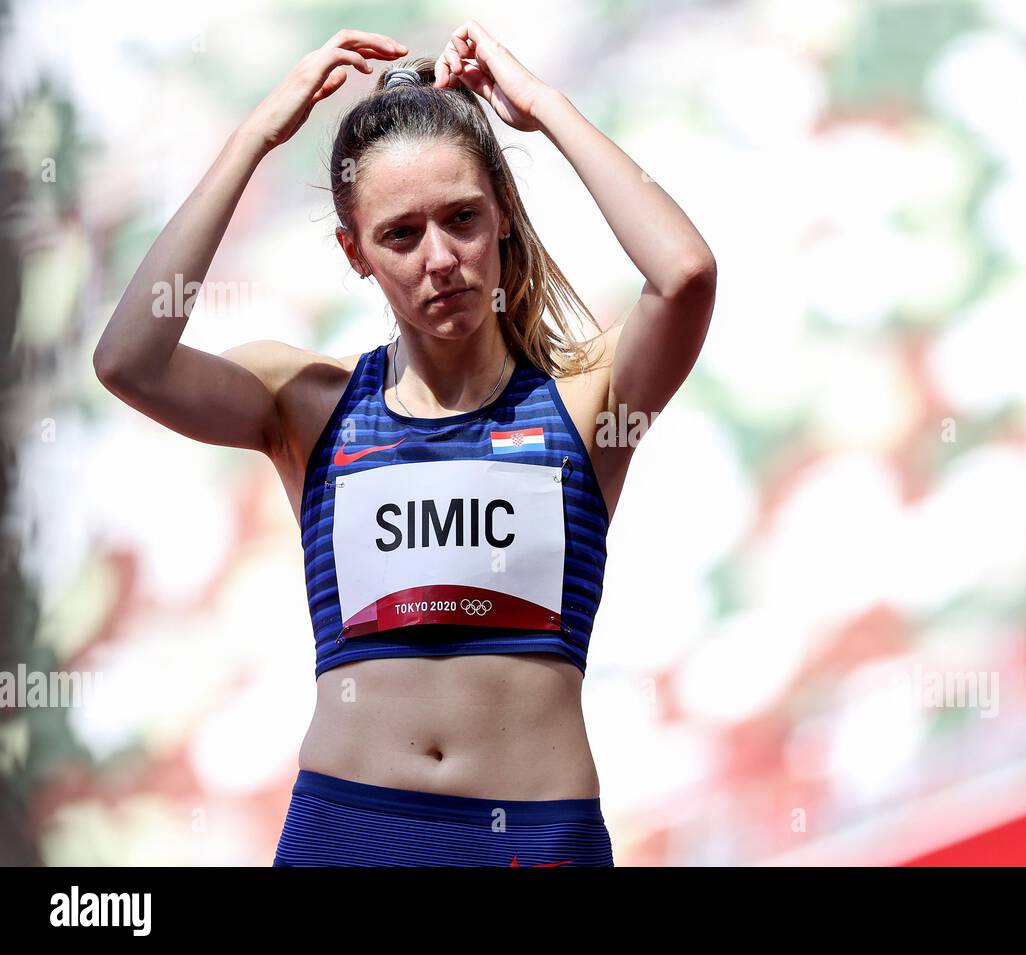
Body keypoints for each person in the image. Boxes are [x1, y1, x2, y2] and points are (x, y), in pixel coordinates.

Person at [92, 22, 716, 866]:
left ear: (501, 215)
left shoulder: (588, 401)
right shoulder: (306, 404)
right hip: (348, 831)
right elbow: (129, 360)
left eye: (463, 219)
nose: (441, 260)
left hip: (534, 838)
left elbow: (684, 274)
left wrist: (542, 106)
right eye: (400, 235)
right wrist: (253, 140)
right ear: (355, 253)